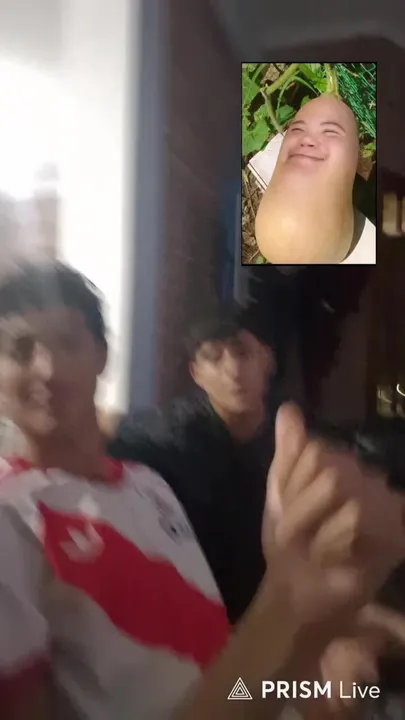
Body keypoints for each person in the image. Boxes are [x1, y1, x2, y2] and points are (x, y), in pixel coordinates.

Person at [0, 261, 404, 720]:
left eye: (68, 343)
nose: (48, 368)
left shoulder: (148, 484)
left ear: (102, 356)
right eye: (19, 350)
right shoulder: (13, 515)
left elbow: (230, 667)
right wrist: (295, 602)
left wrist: (302, 674)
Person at [110, 303, 278, 624]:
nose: (232, 370)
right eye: (214, 357)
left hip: (280, 611)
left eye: (242, 352)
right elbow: (118, 437)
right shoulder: (173, 436)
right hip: (199, 615)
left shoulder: (296, 434)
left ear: (267, 359)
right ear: (197, 374)